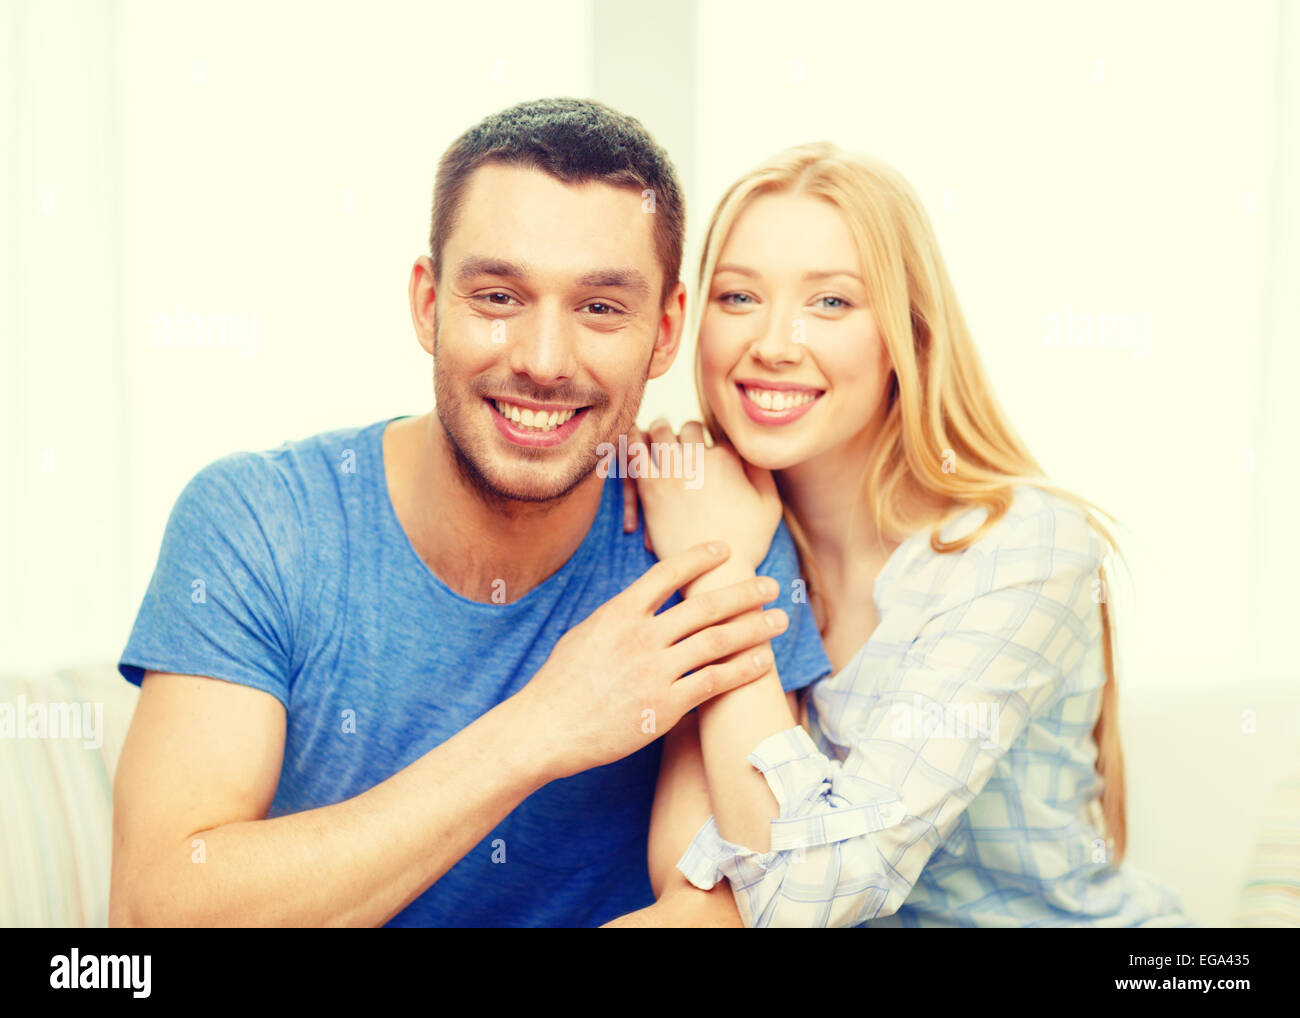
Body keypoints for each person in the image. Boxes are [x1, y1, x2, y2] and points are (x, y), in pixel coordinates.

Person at [108, 99, 831, 928]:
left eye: (600, 308)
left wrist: (720, 567)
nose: (543, 362)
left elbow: (731, 904)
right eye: (497, 296)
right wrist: (540, 728)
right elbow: (157, 910)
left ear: (665, 330)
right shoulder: (259, 521)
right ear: (428, 303)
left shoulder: (712, 529)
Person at [614, 141, 1194, 927]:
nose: (776, 343)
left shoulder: (1023, 548)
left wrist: (714, 576)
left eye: (831, 303)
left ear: (906, 336)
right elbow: (696, 876)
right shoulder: (720, 517)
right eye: (739, 297)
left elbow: (805, 900)